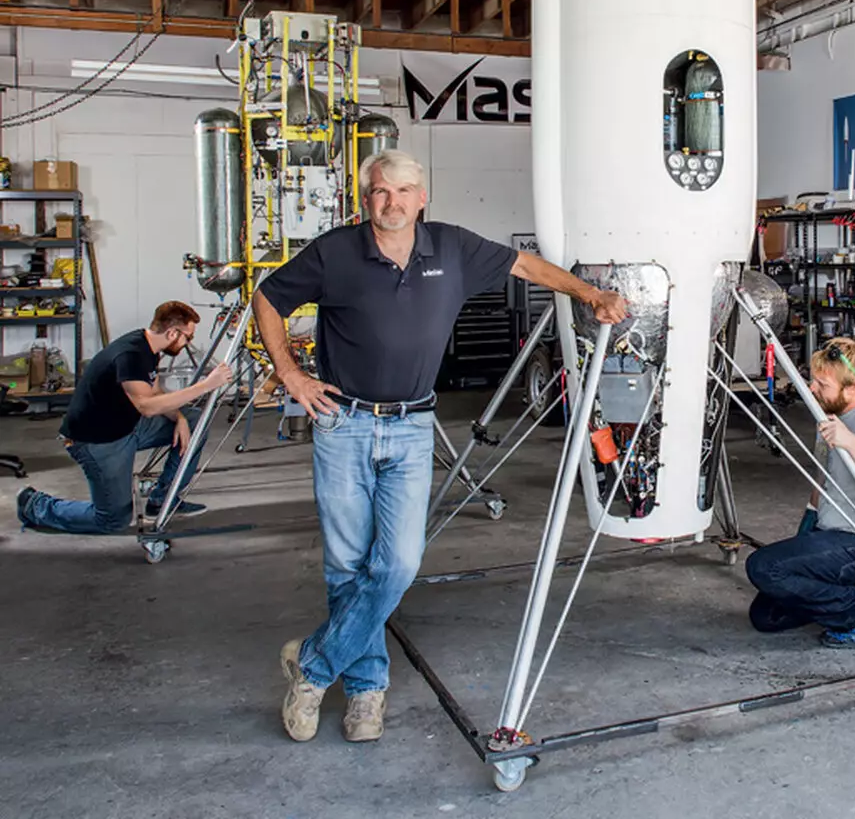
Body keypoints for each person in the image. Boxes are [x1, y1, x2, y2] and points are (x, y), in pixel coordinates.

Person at [257, 149, 628, 745]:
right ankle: (366, 693)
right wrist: (291, 374)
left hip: (410, 428)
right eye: (381, 191)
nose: (393, 201)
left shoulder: (451, 248)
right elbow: (269, 298)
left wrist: (589, 294)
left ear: (421, 198)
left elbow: (526, 266)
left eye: (404, 191)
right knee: (347, 567)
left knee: (398, 564)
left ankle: (314, 662)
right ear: (365, 198)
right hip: (342, 423)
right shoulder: (336, 252)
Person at [745, 338, 855, 649]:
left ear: (851, 389)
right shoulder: (831, 413)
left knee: (763, 567)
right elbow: (823, 478)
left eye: (822, 383)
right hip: (831, 532)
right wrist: (807, 526)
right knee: (765, 616)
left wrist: (852, 443)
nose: (812, 389)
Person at [16, 301, 231, 535]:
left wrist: (179, 418)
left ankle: (162, 499)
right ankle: (35, 505)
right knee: (113, 520)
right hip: (97, 441)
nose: (188, 343)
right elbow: (147, 406)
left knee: (194, 421)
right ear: (172, 333)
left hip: (129, 426)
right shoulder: (130, 354)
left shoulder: (150, 349)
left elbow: (155, 393)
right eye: (187, 338)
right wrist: (206, 385)